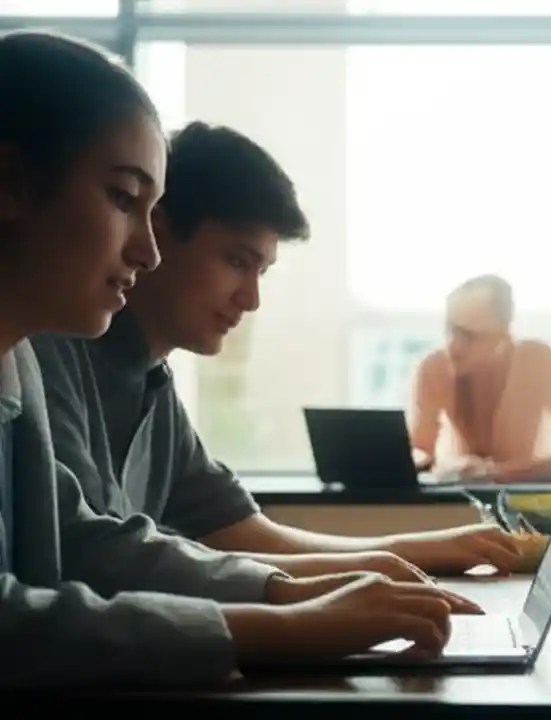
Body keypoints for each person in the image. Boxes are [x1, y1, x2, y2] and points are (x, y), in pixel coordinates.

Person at [0, 30, 472, 687]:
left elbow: (88, 542)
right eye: (122, 198)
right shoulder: (44, 352)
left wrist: (296, 591)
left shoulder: (23, 360)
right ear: (12, 182)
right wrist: (293, 624)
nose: (146, 252)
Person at [30, 122, 523, 580]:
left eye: (260, 272)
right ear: (156, 233)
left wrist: (415, 552)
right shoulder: (48, 355)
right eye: (237, 261)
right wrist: (306, 600)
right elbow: (98, 561)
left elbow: (243, 532)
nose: (251, 299)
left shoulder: (153, 385)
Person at [408, 273, 551, 484]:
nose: (454, 347)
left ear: (503, 334)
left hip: (533, 499)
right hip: (462, 500)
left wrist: (493, 473)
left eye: (469, 335)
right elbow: (421, 452)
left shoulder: (541, 360)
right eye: (450, 330)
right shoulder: (434, 367)